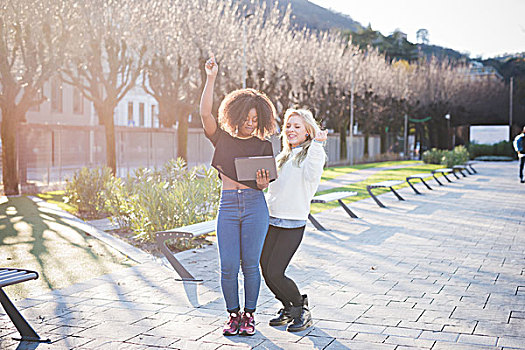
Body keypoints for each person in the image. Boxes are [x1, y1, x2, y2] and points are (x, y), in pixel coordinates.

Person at [199, 54, 277, 336]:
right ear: (235, 116)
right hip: (229, 207)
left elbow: (265, 183)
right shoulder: (222, 139)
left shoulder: (263, 145)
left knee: (250, 265)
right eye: (246, 118)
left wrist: (263, 183)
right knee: (228, 266)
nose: (250, 123)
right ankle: (233, 314)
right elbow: (205, 114)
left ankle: (250, 315)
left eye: (255, 119)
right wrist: (210, 79)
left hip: (255, 206)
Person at [260, 108, 327, 332]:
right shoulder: (283, 157)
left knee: (276, 271)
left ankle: (301, 308)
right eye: (288, 125)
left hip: (292, 224)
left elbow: (311, 176)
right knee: (266, 270)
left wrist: (317, 144)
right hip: (272, 221)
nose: (291, 130)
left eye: (297, 126)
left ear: (308, 131)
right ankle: (288, 308)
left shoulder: (311, 155)